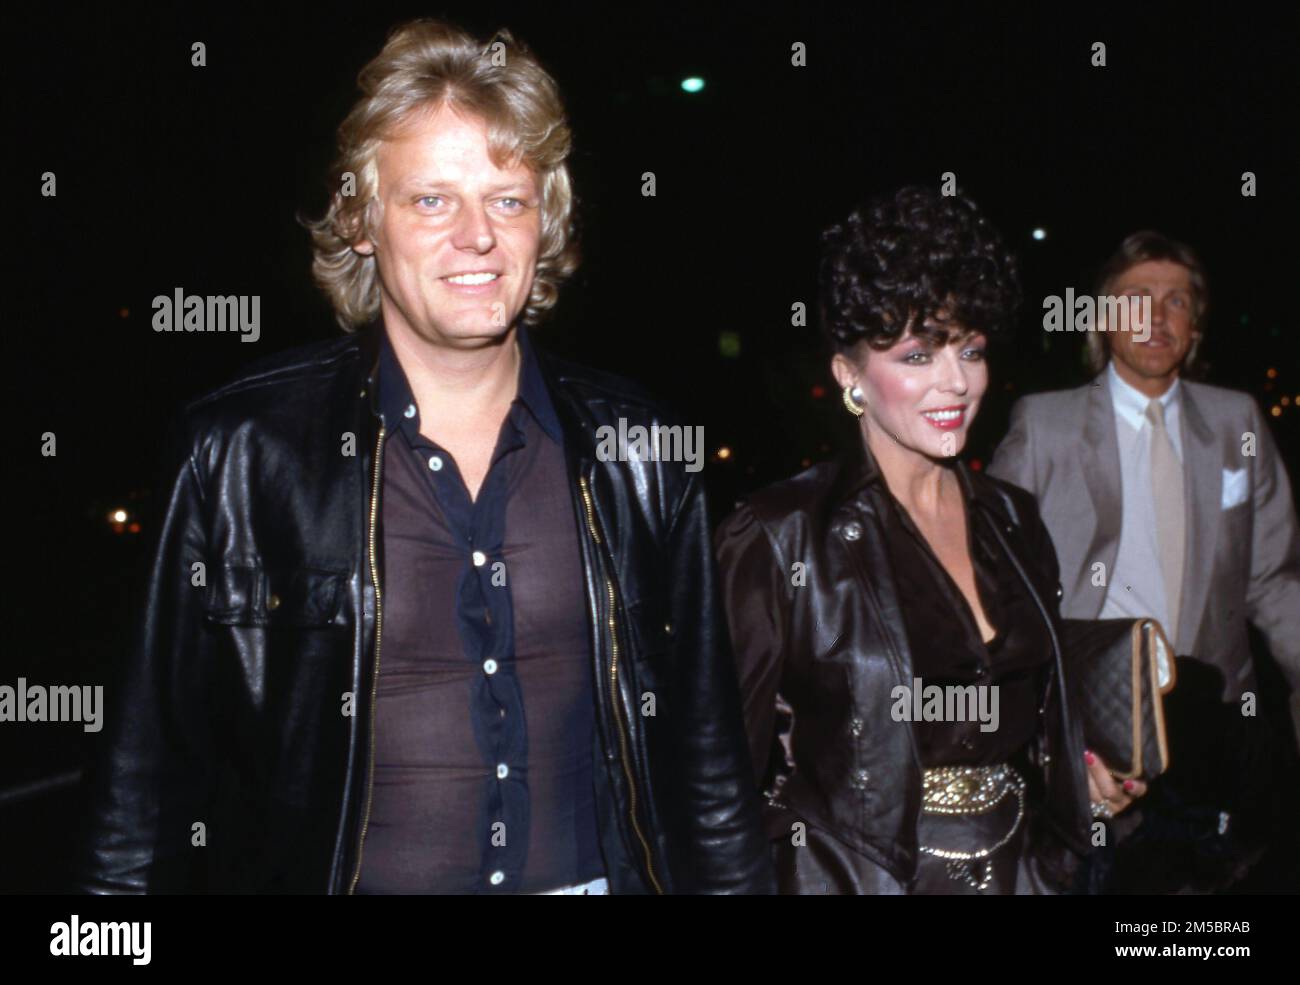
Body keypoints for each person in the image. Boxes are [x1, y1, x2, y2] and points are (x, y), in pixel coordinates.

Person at [73, 17, 772, 895]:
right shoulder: (240, 453)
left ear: (544, 223)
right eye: (431, 198)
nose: (476, 235)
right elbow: (141, 786)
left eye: (508, 199)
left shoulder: (644, 454)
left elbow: (708, 771)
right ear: (364, 221)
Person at [715, 187, 1143, 894]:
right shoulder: (779, 535)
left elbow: (1032, 722)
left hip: (1022, 875)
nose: (956, 382)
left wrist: (1079, 775)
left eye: (969, 350)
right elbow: (715, 781)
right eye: (917, 355)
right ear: (850, 375)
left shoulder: (1013, 521)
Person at [989, 231, 1300, 891]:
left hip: (1215, 730)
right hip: (1094, 741)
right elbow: (999, 588)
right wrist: (1038, 729)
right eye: (1135, 300)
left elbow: (1273, 579)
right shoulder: (1045, 425)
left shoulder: (1238, 419)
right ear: (1102, 318)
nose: (1156, 318)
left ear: (1195, 325)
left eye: (1176, 302)